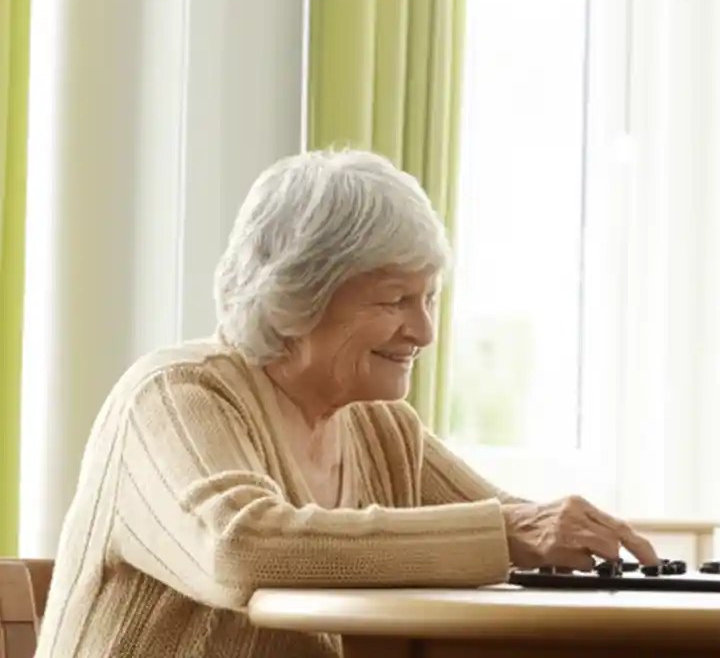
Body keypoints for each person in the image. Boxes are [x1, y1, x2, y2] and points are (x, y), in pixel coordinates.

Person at [36, 149, 658, 658]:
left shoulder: (381, 429)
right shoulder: (175, 396)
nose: (424, 331)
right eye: (393, 302)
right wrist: (507, 531)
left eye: (430, 299)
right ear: (295, 298)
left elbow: (516, 532)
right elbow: (236, 548)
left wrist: (581, 542)